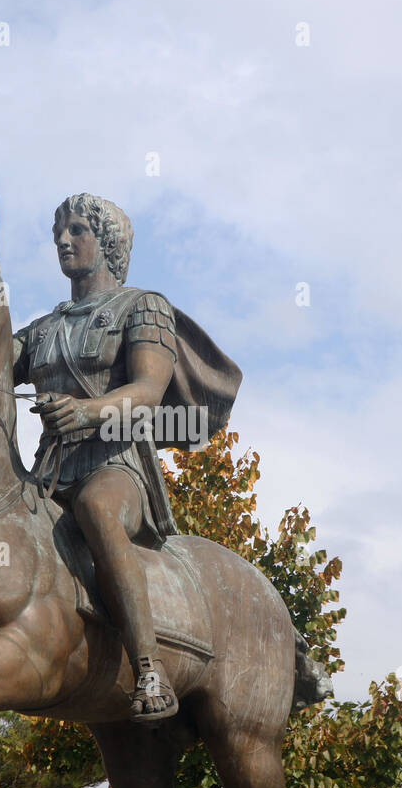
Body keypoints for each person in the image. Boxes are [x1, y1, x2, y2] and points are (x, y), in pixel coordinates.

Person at [14, 193, 240, 722]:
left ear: (108, 242)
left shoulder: (143, 307)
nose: (63, 241)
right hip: (47, 474)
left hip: (116, 466)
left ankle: (149, 668)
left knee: (95, 508)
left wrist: (88, 412)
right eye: (58, 234)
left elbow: (147, 389)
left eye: (76, 231)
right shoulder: (44, 328)